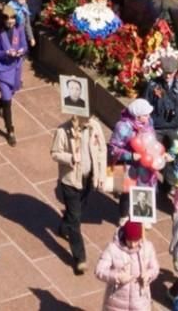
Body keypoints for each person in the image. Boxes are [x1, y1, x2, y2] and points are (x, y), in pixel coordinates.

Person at [52, 108, 110, 275]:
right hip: (70, 181)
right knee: (76, 220)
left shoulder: (94, 127)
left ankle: (65, 225)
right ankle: (80, 258)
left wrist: (101, 174)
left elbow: (101, 151)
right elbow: (55, 153)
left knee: (75, 213)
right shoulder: (63, 131)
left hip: (87, 179)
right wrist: (70, 158)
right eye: (88, 115)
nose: (91, 117)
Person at [95, 221, 159, 311]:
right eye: (129, 240)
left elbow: (155, 268)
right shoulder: (112, 248)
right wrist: (117, 276)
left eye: (135, 241)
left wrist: (148, 275)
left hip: (140, 302)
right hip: (115, 303)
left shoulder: (147, 248)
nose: (133, 244)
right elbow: (99, 270)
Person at [0, 4, 29, 144]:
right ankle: (10, 130)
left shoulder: (19, 29)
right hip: (2, 70)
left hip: (16, 67)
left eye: (12, 19)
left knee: (11, 93)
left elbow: (24, 45)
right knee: (7, 97)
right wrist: (6, 52)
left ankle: (0, 104)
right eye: (7, 19)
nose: (10, 22)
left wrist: (21, 51)